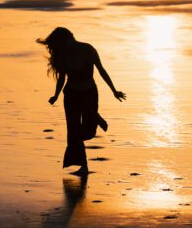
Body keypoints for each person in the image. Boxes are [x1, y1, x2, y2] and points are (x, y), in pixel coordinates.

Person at [36, 27, 126, 175]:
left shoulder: (88, 49)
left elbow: (101, 70)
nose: (63, 46)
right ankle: (83, 166)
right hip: (71, 95)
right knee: (73, 133)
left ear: (70, 38)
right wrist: (56, 95)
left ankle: (94, 117)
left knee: (89, 132)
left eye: (63, 42)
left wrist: (114, 91)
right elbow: (62, 78)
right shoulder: (64, 54)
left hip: (89, 94)